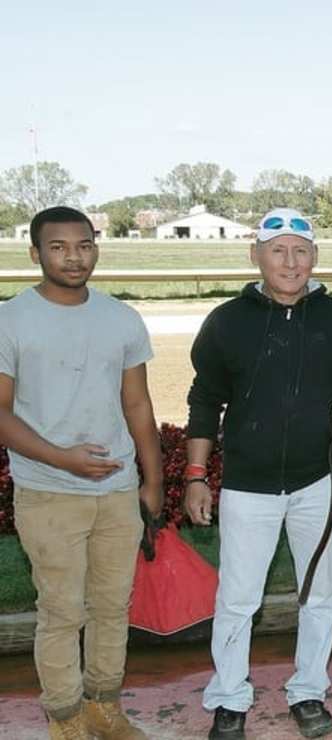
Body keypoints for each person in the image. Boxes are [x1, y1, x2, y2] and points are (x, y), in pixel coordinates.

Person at [183, 208, 332, 740]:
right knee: (238, 598)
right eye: (278, 251)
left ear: (315, 257)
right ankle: (229, 698)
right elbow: (204, 400)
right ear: (256, 256)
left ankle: (308, 690)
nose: (290, 262)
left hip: (322, 478)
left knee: (321, 594)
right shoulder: (226, 321)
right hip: (248, 483)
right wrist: (196, 475)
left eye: (300, 251)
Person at [0, 206, 162, 740]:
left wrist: (153, 480)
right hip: (48, 492)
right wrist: (61, 458)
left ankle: (103, 706)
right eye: (59, 247)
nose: (74, 257)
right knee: (62, 611)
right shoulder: (11, 320)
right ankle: (65, 716)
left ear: (96, 248)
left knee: (113, 607)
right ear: (35, 253)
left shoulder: (121, 318)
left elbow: (138, 405)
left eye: (84, 245)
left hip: (117, 491)